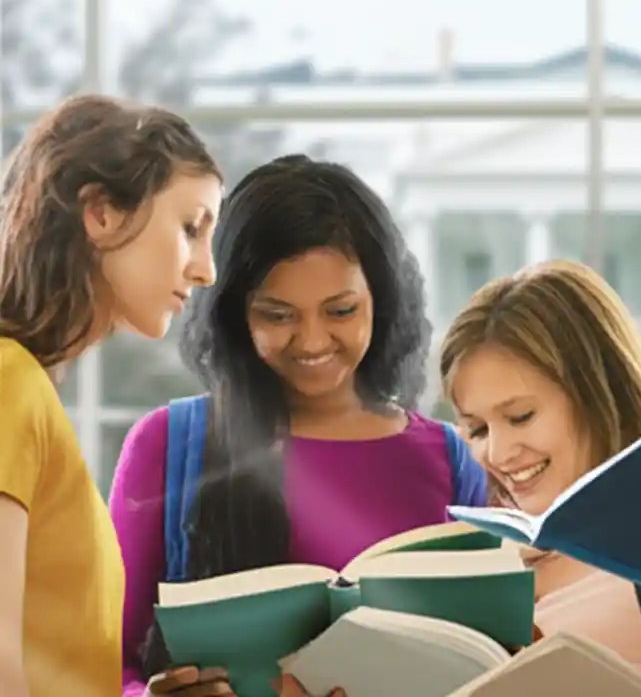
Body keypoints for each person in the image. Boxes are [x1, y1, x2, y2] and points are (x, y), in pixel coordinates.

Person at [108, 155, 487, 697]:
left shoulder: (454, 461)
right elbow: (96, 656)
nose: (311, 343)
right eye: (278, 315)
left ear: (380, 300)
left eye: (340, 311)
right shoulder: (167, 445)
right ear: (237, 314)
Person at [0, 94, 221, 696]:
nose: (207, 270)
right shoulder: (8, 382)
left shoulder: (30, 390)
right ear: (99, 212)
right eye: (190, 228)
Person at [440, 259, 641, 697]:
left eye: (520, 416)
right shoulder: (486, 555)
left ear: (599, 394)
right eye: (478, 429)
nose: (498, 452)